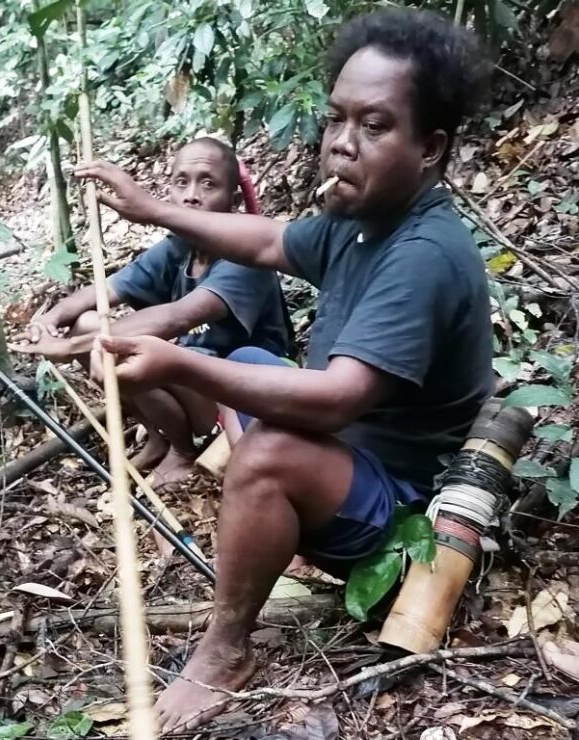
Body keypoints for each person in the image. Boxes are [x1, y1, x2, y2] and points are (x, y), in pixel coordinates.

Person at [76, 8, 493, 732]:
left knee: (265, 454)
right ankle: (272, 528)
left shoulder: (422, 252)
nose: (341, 144)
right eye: (336, 120)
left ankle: (224, 651)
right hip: (352, 460)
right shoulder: (364, 219)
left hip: (402, 509)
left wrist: (178, 362)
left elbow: (336, 399)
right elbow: (268, 238)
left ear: (430, 148)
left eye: (374, 126)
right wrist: (152, 211)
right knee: (245, 357)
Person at [12, 137, 292, 485]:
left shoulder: (245, 260)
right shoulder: (179, 247)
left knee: (132, 349)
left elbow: (178, 317)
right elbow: (104, 291)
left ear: (233, 201)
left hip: (241, 399)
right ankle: (159, 436)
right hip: (196, 376)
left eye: (208, 183)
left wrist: (70, 348)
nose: (192, 194)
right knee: (88, 324)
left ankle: (184, 451)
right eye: (181, 181)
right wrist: (49, 320)